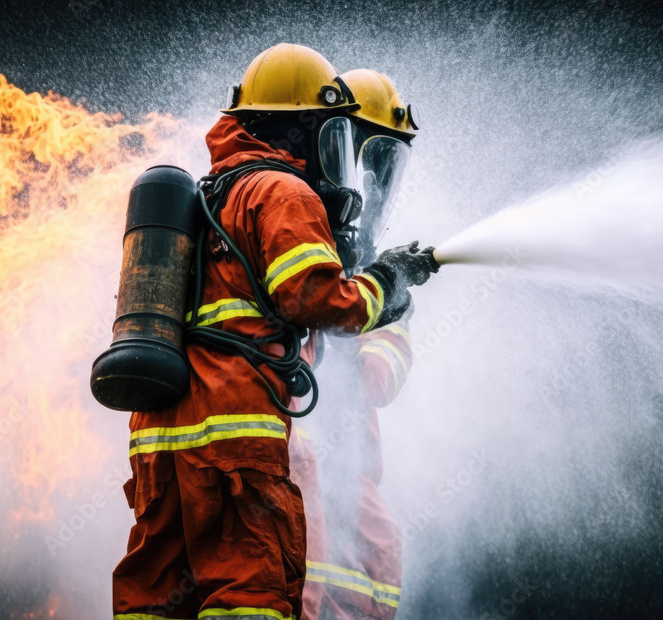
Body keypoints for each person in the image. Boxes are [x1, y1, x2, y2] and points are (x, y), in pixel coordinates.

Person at [112, 44, 437, 620]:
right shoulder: (283, 194)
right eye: (330, 136)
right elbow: (315, 298)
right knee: (252, 593)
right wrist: (386, 281)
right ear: (305, 131)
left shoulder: (214, 196)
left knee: (155, 596)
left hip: (160, 436)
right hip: (239, 434)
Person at [288, 69, 418, 620]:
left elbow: (378, 378)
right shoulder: (287, 239)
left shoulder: (385, 283)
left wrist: (368, 302)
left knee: (377, 558)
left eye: (380, 163)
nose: (364, 187)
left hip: (346, 464)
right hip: (284, 452)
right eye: (351, 152)